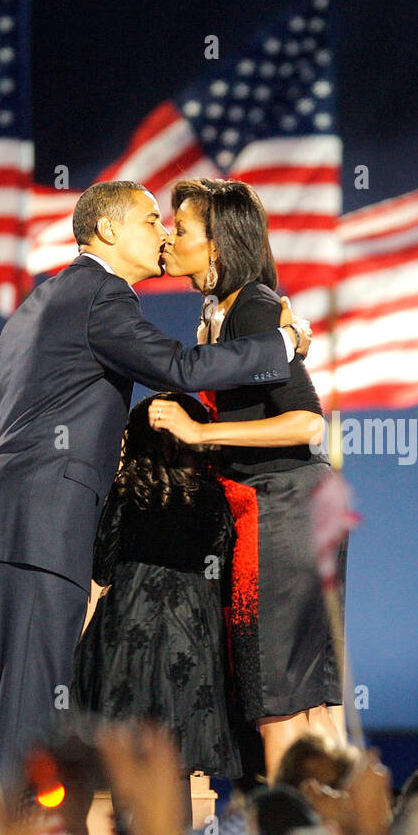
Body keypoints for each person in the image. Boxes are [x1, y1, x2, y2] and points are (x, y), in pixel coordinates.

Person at [0, 179, 311, 788]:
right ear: (108, 231)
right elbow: (178, 368)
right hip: (37, 529)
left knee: (0, 725)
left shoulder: (44, 298)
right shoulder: (101, 295)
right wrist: (281, 343)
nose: (164, 233)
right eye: (149, 221)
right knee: (28, 730)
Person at [151, 177, 345, 779]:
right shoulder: (224, 310)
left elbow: (307, 422)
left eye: (180, 229)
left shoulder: (255, 309)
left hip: (282, 507)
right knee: (312, 697)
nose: (167, 236)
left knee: (279, 697)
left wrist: (199, 433)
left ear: (216, 246)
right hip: (291, 507)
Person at [72, 393, 242, 781]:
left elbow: (102, 569)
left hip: (128, 629)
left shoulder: (126, 493)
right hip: (192, 634)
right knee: (175, 764)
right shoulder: (215, 499)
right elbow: (224, 571)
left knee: (125, 762)